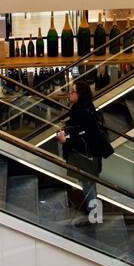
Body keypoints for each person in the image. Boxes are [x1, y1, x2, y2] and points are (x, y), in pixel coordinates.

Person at [57, 79, 104, 225]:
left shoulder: (82, 111)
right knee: (88, 183)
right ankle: (94, 213)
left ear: (80, 94)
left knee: (88, 184)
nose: (69, 94)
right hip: (89, 153)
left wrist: (66, 140)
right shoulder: (84, 108)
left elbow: (85, 134)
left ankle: (94, 216)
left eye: (72, 91)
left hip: (85, 154)